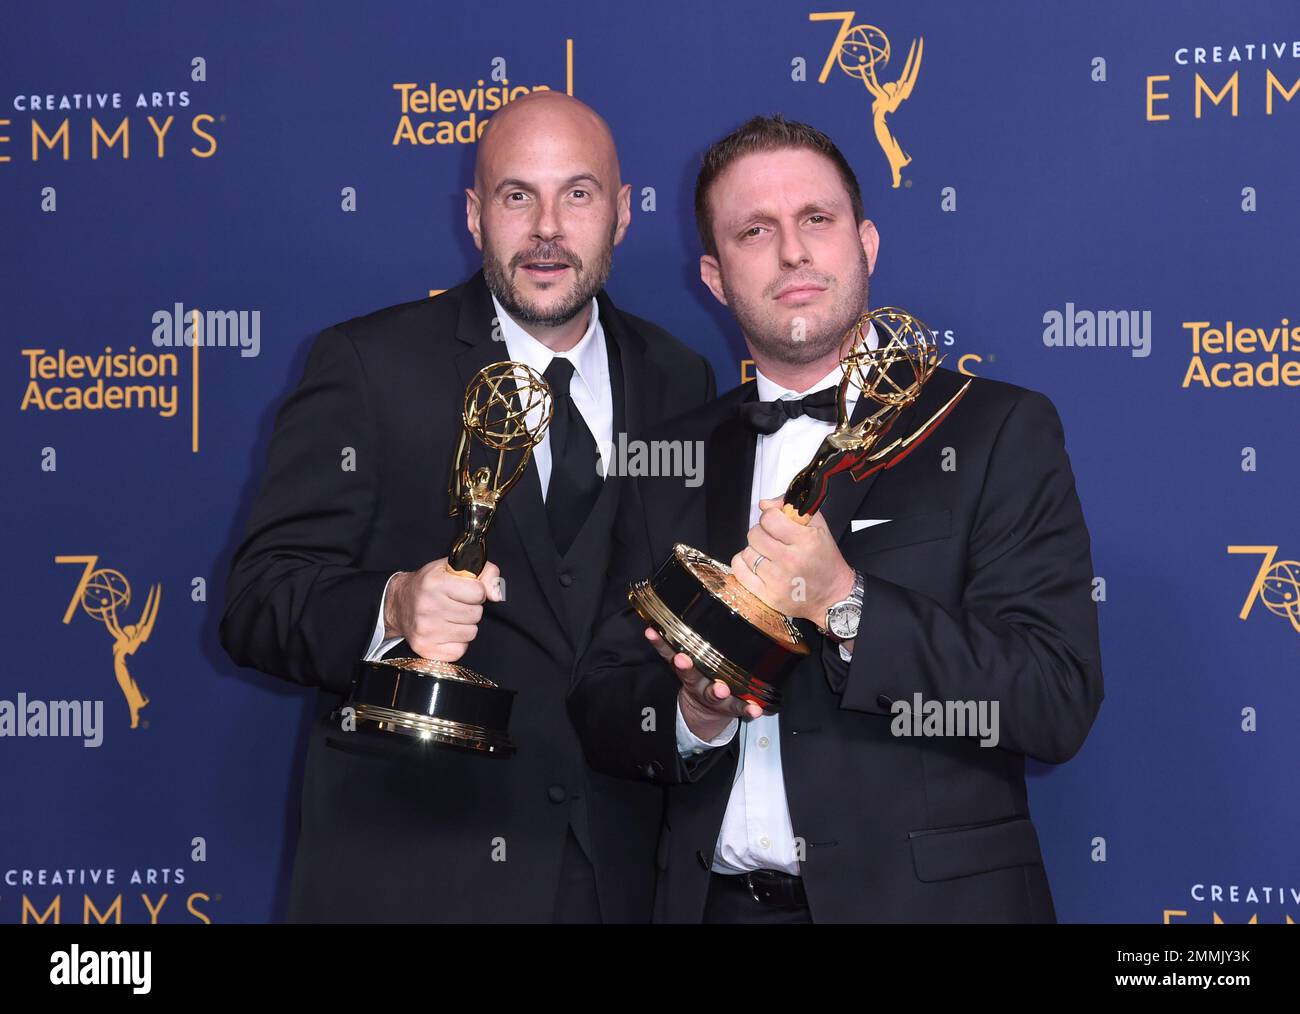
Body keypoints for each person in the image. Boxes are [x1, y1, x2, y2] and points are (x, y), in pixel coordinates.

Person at [568, 114, 1103, 923]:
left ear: (866, 242)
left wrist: (846, 604)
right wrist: (693, 715)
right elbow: (602, 701)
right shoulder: (666, 459)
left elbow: (1053, 698)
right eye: (755, 231)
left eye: (816, 219)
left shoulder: (994, 430)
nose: (792, 252)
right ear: (714, 277)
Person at [220, 91, 715, 922]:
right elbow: (258, 602)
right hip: (412, 879)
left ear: (624, 214)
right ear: (476, 215)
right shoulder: (368, 365)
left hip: (618, 880)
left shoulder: (681, 380)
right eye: (518, 195)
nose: (548, 227)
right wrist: (389, 606)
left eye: (579, 194)